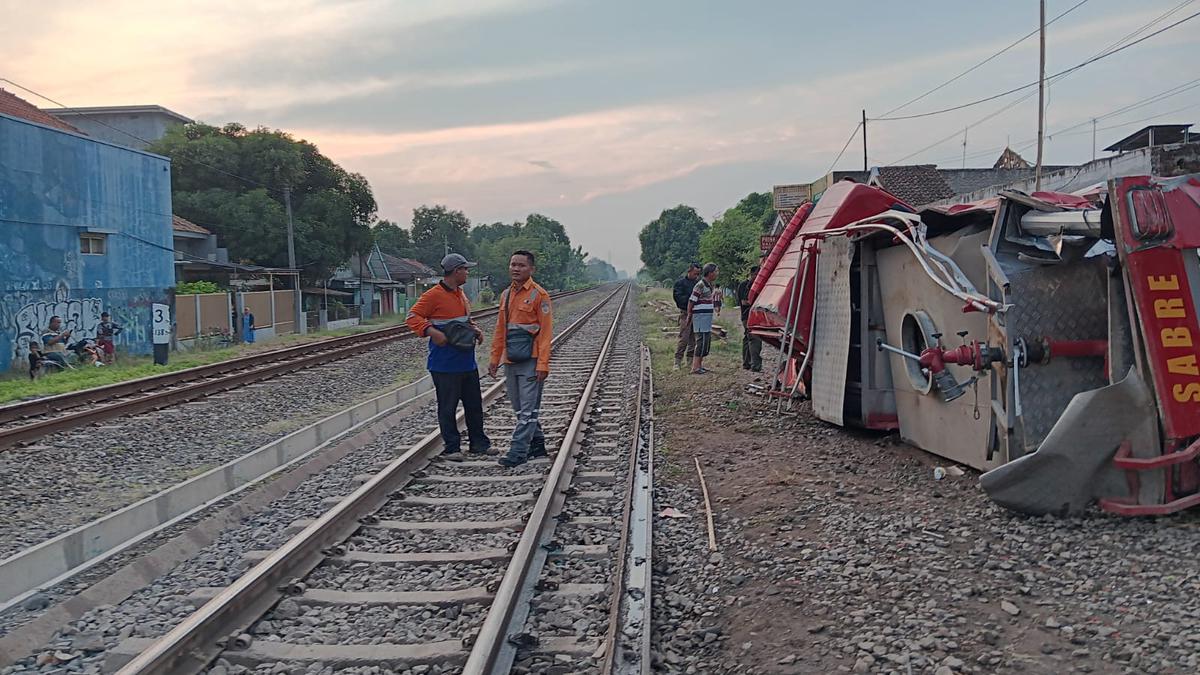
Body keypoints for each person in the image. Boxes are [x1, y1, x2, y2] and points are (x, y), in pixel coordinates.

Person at [406, 253, 491, 460]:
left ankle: (478, 444)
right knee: (448, 407)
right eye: (465, 269)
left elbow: (464, 321)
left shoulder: (460, 294)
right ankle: (452, 448)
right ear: (456, 271)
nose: (467, 273)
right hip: (444, 364)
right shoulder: (433, 296)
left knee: (474, 405)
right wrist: (432, 332)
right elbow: (412, 317)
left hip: (467, 362)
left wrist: (475, 330)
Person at [489, 250, 553, 468]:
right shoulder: (506, 295)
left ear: (531, 269)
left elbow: (545, 333)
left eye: (521, 265)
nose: (516, 269)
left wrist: (543, 364)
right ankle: (537, 444)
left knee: (527, 409)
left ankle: (518, 451)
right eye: (513, 264)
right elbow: (501, 329)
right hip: (511, 360)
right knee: (519, 408)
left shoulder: (539, 295)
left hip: (531, 360)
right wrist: (494, 358)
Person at [687, 263, 719, 374]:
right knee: (701, 341)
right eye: (716, 271)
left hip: (706, 318)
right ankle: (695, 367)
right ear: (710, 273)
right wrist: (689, 314)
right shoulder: (700, 285)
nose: (717, 274)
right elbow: (691, 300)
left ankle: (700, 365)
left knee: (706, 342)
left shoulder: (709, 285)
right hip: (700, 317)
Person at [672, 263, 701, 371]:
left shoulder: (699, 284)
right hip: (685, 313)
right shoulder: (680, 283)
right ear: (689, 271)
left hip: (697, 314)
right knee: (684, 338)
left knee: (693, 339)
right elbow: (678, 298)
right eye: (695, 273)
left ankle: (689, 361)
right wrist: (691, 299)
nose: (696, 276)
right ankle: (677, 361)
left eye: (698, 274)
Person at [737, 266, 763, 372]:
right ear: (752, 274)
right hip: (747, 316)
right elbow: (744, 302)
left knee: (748, 338)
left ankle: (747, 363)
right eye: (757, 274)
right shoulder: (744, 285)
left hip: (752, 316)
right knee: (754, 338)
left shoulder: (756, 285)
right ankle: (755, 365)